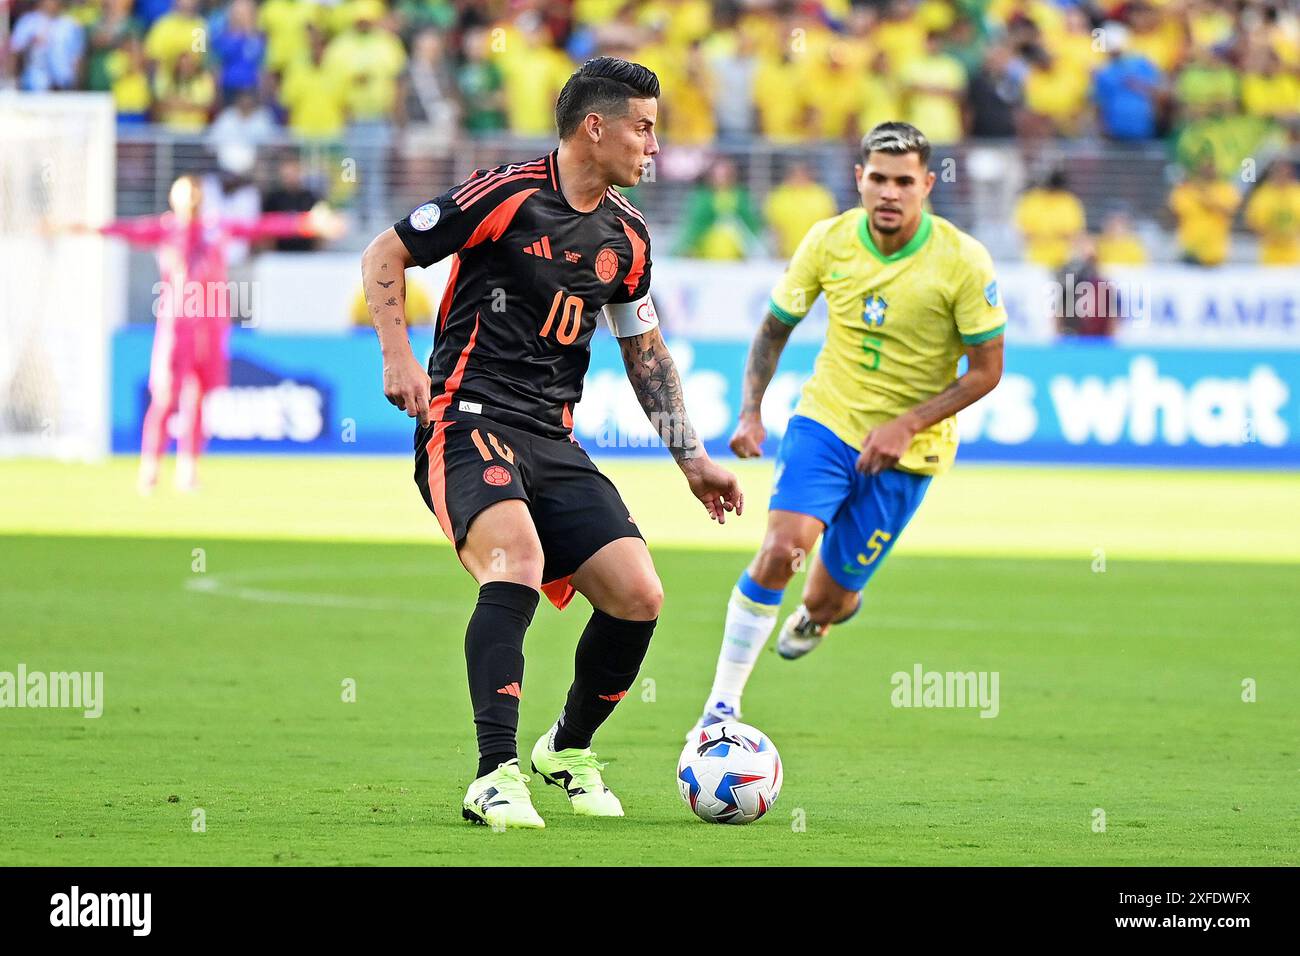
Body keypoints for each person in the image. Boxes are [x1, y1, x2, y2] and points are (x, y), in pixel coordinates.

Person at [360, 57, 743, 830]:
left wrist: (692, 458)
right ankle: (493, 774)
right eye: (643, 128)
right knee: (518, 565)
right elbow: (385, 254)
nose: (653, 146)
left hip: (552, 436)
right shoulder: (504, 195)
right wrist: (398, 357)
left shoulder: (627, 237)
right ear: (593, 128)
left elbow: (647, 356)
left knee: (639, 596)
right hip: (467, 421)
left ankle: (565, 749)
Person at [686, 122, 1005, 738]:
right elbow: (775, 328)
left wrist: (908, 424)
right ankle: (721, 707)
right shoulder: (828, 241)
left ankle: (821, 615)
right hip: (827, 423)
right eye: (878, 179)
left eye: (904, 181)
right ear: (859, 179)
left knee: (829, 597)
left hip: (909, 453)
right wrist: (751, 410)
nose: (889, 193)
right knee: (782, 549)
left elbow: (988, 371)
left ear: (927, 185)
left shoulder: (963, 261)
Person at [92, 175, 338, 493]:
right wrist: (76, 227)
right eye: (185, 192)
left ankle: (188, 469)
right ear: (173, 198)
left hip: (210, 330)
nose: (192, 198)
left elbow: (262, 226)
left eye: (195, 192)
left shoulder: (216, 227)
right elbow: (122, 230)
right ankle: (150, 466)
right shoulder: (166, 229)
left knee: (198, 400)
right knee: (165, 398)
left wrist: (307, 223)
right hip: (176, 327)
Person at [1244, 160, 1300, 266]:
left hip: (1295, 254)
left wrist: (1293, 234)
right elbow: (1251, 220)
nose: (1282, 176)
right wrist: (1268, 235)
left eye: (1285, 173)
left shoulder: (1297, 193)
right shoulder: (1263, 194)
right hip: (1270, 254)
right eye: (1278, 172)